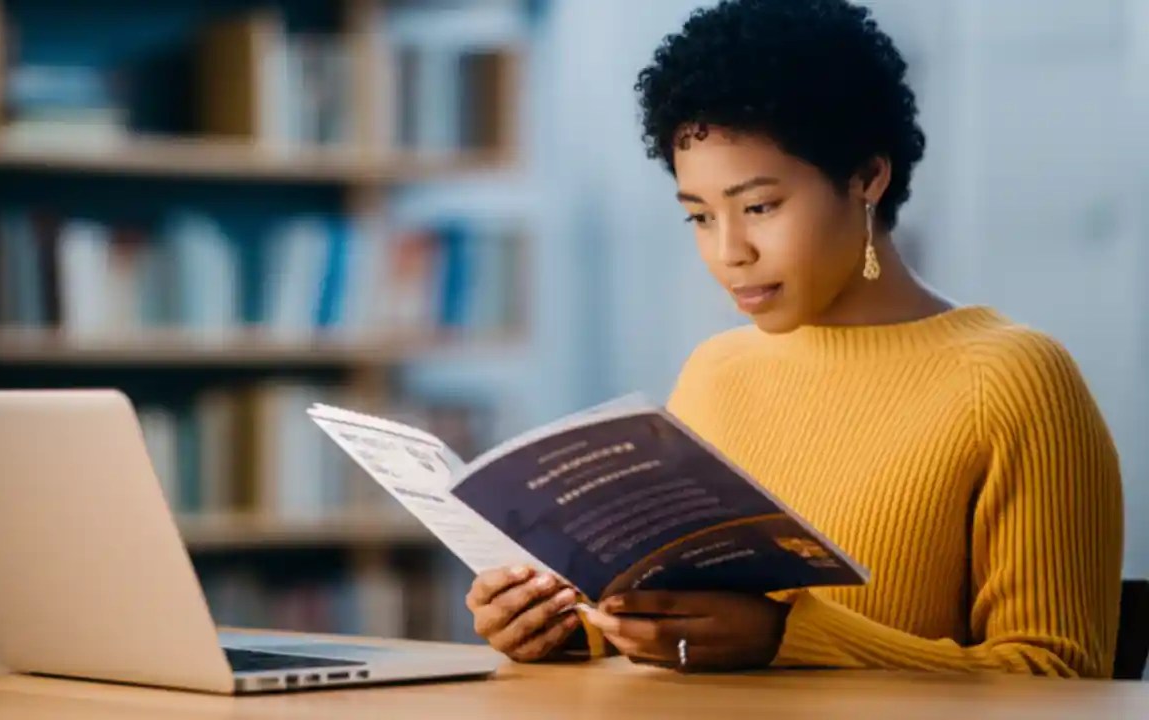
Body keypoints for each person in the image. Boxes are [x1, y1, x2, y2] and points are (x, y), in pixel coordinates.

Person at [465, 0, 1124, 677]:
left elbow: (1062, 678)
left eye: (759, 208)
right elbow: (683, 624)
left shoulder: (1013, 380)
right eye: (698, 215)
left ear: (867, 177)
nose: (729, 252)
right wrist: (570, 627)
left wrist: (788, 638)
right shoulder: (717, 371)